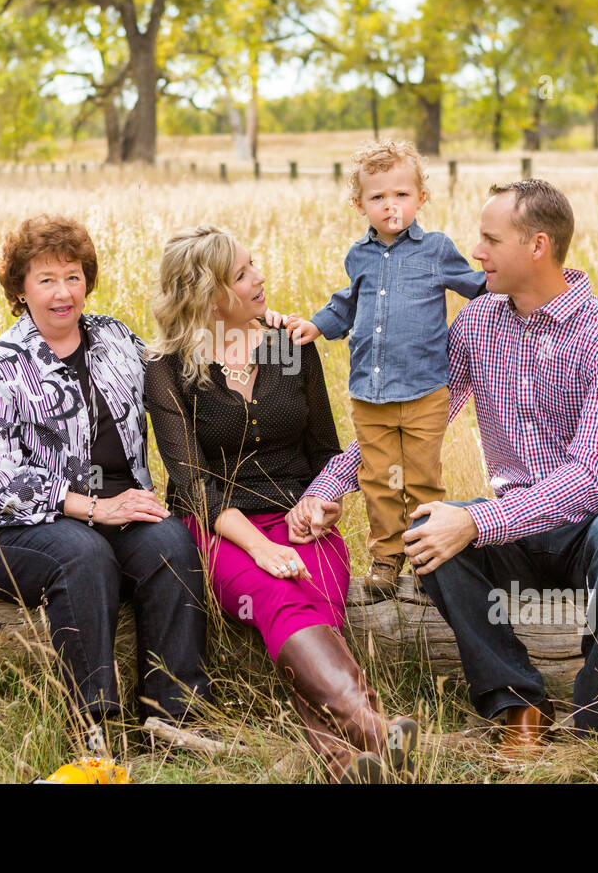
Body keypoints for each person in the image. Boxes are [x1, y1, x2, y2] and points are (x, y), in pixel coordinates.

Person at [294, 179, 598, 754]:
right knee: (424, 528)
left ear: (537, 246)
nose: (476, 252)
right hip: (513, 528)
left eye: (490, 239)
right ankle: (518, 703)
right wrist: (328, 487)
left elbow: (591, 478)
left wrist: (478, 523)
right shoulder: (477, 324)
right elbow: (410, 421)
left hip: (589, 532)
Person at [144, 224, 417, 783]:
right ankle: (373, 730)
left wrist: (325, 501)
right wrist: (260, 547)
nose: (260, 277)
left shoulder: (290, 345)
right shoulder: (166, 369)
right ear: (210, 292)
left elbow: (325, 452)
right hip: (222, 531)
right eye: (243, 273)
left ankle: (347, 763)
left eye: (254, 266)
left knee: (317, 596)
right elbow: (193, 483)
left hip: (299, 522)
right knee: (279, 597)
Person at [0, 214, 211, 734]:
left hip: (113, 514)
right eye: (45, 280)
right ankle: (93, 725)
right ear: (20, 290)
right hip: (7, 527)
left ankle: (173, 719)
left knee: (173, 546)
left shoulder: (114, 339)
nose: (62, 292)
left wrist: (261, 333)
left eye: (72, 276)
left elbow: (179, 375)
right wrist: (96, 508)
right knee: (83, 553)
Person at [286, 139, 487, 599]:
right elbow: (347, 303)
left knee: (421, 478)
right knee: (377, 478)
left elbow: (476, 286)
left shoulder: (436, 249)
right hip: (370, 394)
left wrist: (513, 287)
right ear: (360, 204)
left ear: (421, 198)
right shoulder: (359, 255)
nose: (390, 205)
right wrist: (317, 325)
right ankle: (385, 556)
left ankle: (424, 561)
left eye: (401, 194)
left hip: (424, 391)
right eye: (378, 197)